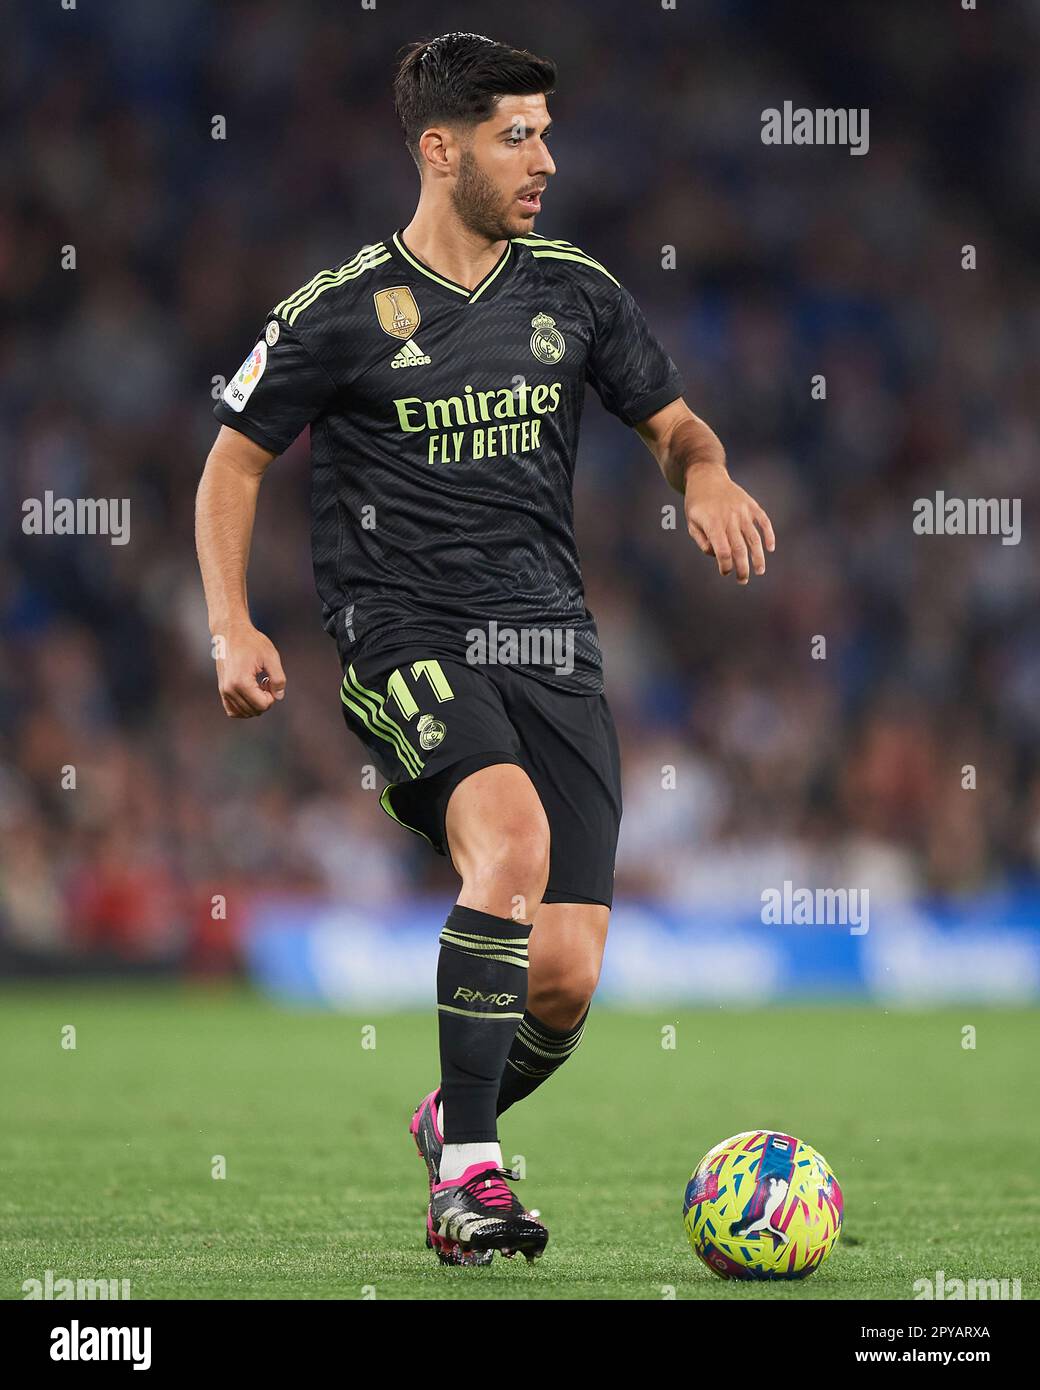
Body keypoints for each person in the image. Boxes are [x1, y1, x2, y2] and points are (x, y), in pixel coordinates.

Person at [195, 31, 774, 1267]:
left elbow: (673, 425)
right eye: (516, 136)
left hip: (551, 642)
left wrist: (706, 474)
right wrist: (231, 623)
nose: (544, 160)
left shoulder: (575, 291)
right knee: (508, 841)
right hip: (401, 630)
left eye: (546, 134)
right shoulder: (337, 311)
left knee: (561, 975)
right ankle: (470, 1174)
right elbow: (231, 464)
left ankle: (451, 1116)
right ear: (438, 149)